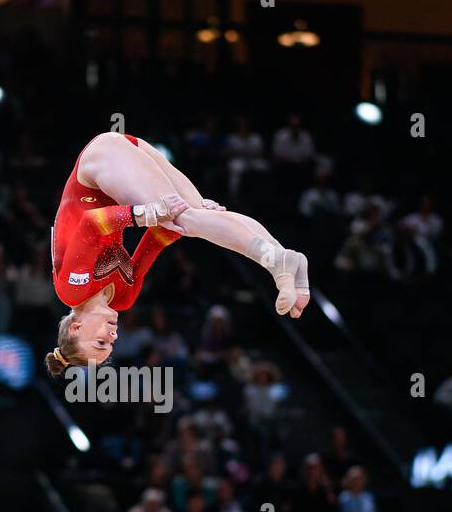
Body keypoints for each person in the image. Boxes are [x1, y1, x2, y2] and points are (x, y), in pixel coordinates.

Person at [44, 132, 309, 374]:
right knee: (196, 218)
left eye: (100, 341)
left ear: (76, 328)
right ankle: (285, 257)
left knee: (184, 219)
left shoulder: (72, 290)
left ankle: (277, 264)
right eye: (110, 345)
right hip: (121, 167)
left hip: (97, 168)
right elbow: (156, 240)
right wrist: (202, 224)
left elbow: (91, 223)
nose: (112, 337)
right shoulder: (123, 299)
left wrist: (149, 213)